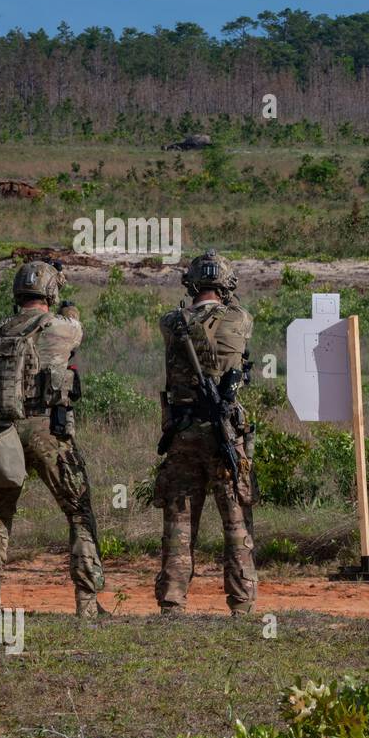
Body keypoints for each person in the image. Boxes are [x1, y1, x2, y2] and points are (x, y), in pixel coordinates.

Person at [0, 260, 106, 616]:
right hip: (47, 430)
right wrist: (68, 304)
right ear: (50, 291)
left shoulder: (0, 330)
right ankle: (87, 603)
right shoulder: (60, 327)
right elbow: (76, 329)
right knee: (78, 512)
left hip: (3, 431)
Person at [153, 250, 257, 615]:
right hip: (224, 433)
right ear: (226, 285)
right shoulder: (239, 319)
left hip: (182, 434)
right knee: (236, 521)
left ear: (191, 284)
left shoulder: (171, 322)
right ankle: (241, 603)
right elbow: (237, 312)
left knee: (179, 524)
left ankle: (172, 601)